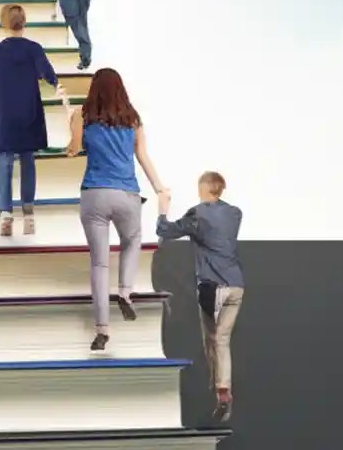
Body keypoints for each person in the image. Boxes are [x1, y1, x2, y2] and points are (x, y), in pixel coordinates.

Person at [65, 68, 168, 351]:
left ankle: (102, 330)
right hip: (126, 193)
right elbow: (142, 155)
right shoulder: (132, 119)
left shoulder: (82, 115)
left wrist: (71, 124)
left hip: (94, 193)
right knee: (132, 240)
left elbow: (73, 150)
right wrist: (159, 186)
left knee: (99, 263)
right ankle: (125, 292)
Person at [156, 172, 245, 424]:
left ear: (204, 188)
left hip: (211, 286)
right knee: (222, 340)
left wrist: (163, 208)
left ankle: (219, 387)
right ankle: (222, 390)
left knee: (211, 339)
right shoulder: (235, 213)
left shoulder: (197, 215)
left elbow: (165, 230)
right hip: (236, 286)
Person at [0, 4, 64, 236]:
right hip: (28, 112)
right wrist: (60, 91)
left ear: (3, 23)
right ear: (24, 22)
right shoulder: (34, 49)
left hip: (2, 115)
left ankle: (5, 213)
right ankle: (28, 212)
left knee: (3, 163)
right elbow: (49, 74)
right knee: (28, 161)